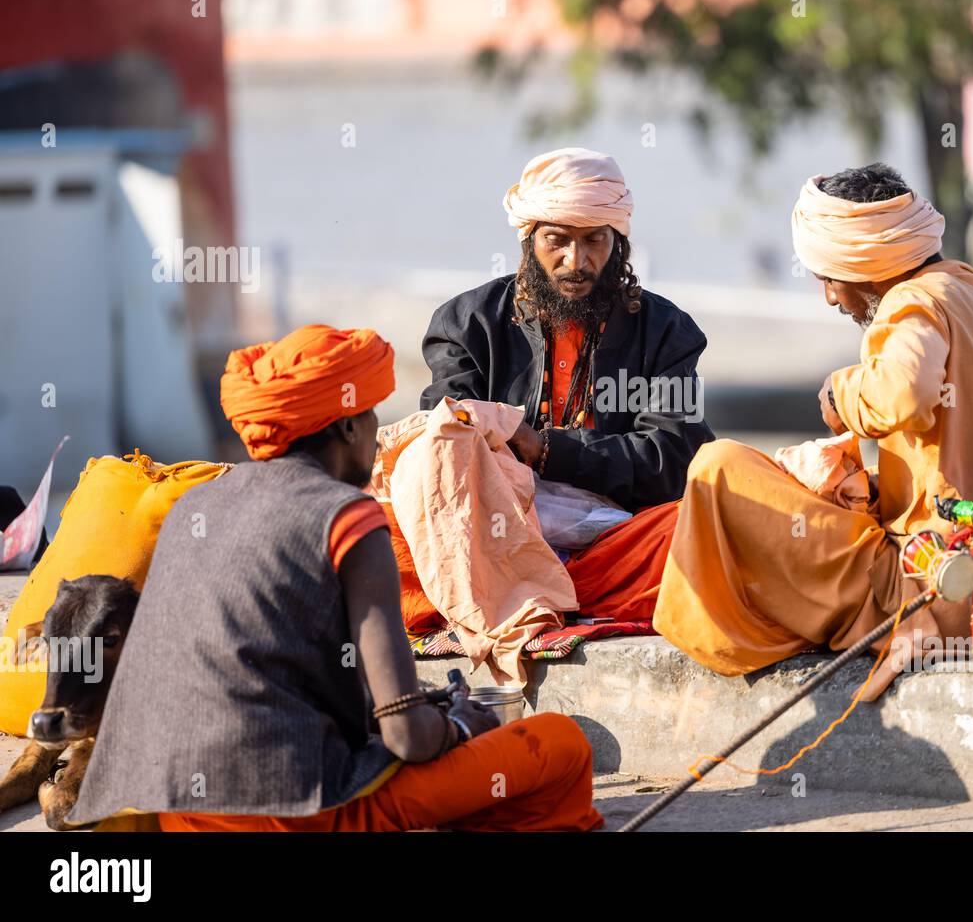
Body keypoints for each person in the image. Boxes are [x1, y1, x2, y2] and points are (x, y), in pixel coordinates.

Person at [69, 324, 603, 831]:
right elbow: (408, 736)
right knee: (560, 743)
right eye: (371, 418)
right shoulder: (348, 517)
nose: (376, 436)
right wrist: (463, 723)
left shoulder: (194, 507)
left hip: (173, 812)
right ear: (348, 427)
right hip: (300, 816)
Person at [653, 164, 973, 693]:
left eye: (829, 277)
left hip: (941, 593)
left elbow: (904, 392)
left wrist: (841, 392)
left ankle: (894, 627)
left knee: (718, 470)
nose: (830, 297)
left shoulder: (912, 301)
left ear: (868, 263)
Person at [418, 147, 714, 511]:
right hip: (497, 527)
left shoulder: (667, 332)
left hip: (624, 533)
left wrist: (548, 449)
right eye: (557, 240)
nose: (575, 261)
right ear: (529, 241)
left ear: (617, 243)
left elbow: (673, 460)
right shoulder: (467, 324)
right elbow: (446, 441)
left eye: (594, 239)